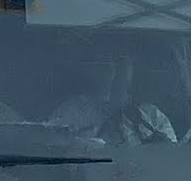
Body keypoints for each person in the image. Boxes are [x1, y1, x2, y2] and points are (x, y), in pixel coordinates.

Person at [49, 55, 178, 145]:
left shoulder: (152, 117)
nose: (116, 71)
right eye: (107, 64)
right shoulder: (70, 112)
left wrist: (162, 147)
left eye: (123, 65)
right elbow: (54, 150)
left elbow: (172, 161)